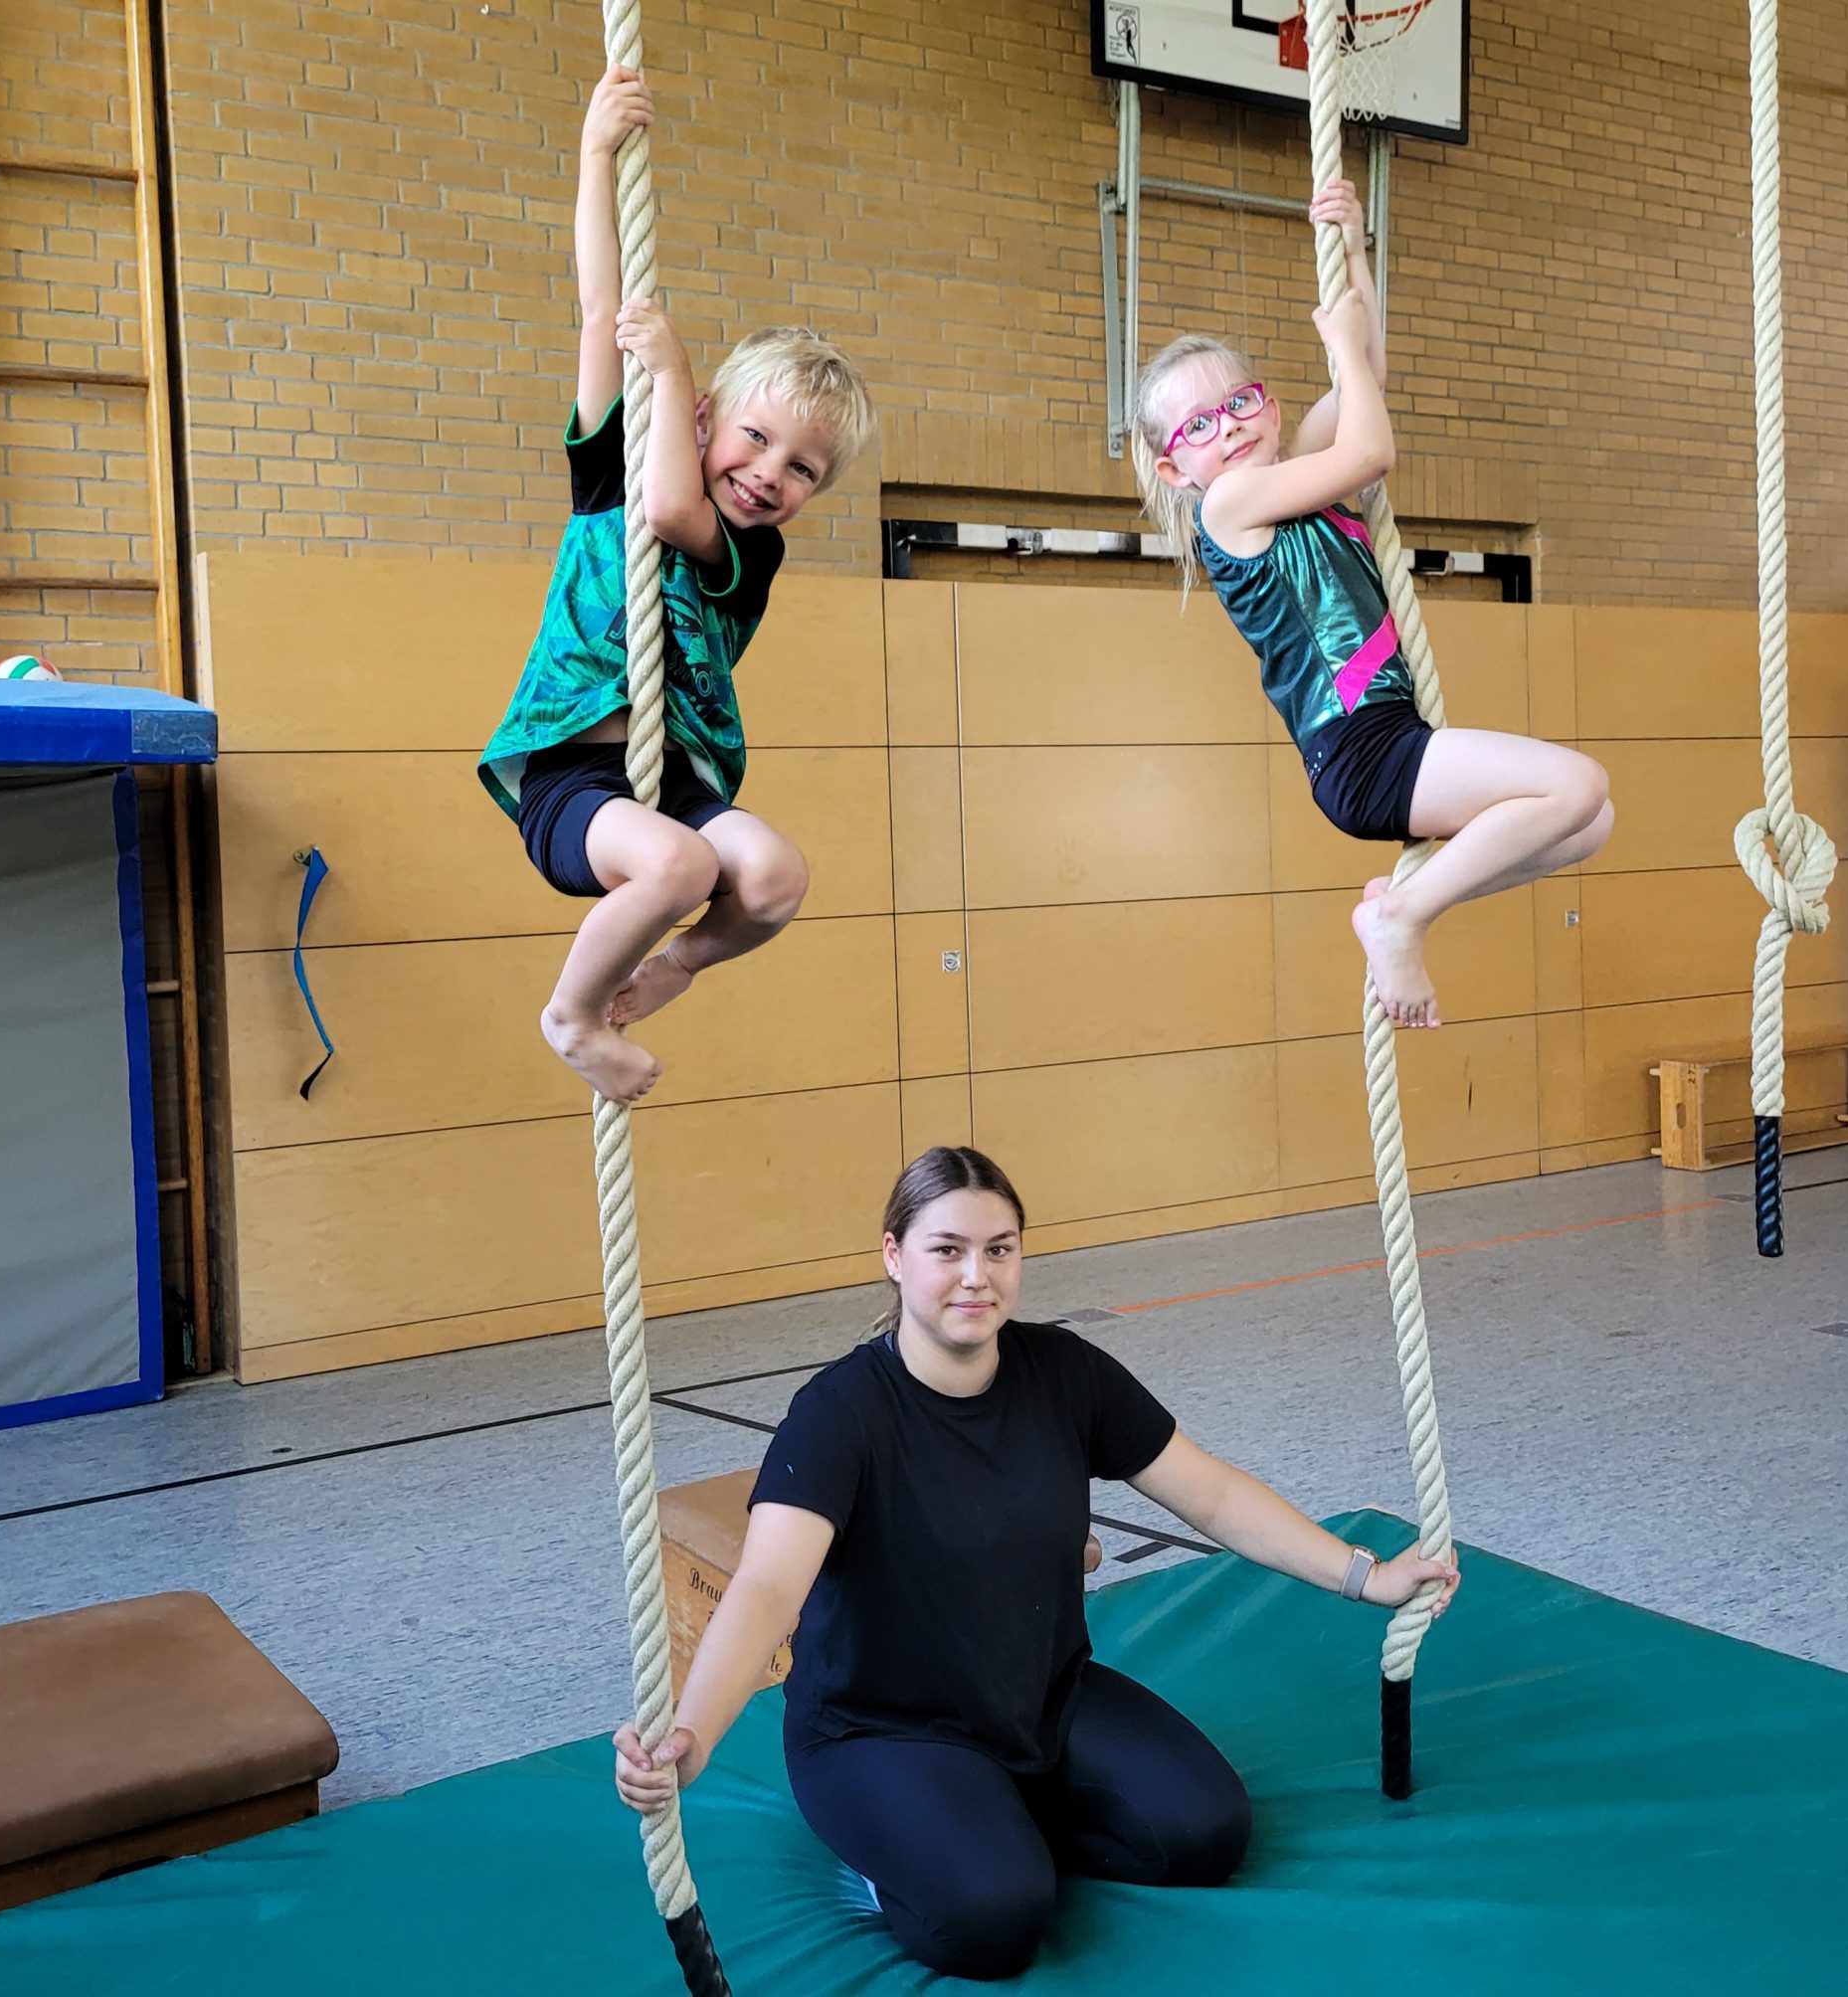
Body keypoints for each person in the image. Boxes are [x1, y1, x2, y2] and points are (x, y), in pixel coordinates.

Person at [614, 1146, 1461, 1982]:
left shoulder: (1064, 1372)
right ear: (893, 1256)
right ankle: (905, 1859)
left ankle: (993, 1828)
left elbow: (1211, 1494)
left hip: (1041, 1699)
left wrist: (1366, 1575)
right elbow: (767, 1589)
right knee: (995, 1920)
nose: (976, 1275)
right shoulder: (839, 1415)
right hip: (882, 1731)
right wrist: (695, 1734)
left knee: (1204, 1835)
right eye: (946, 1250)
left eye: (999, 1249)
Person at [478, 65, 875, 1103]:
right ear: (703, 420)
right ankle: (569, 1013)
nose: (769, 475)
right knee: (682, 870)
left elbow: (674, 514)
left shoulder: (747, 552)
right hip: (572, 780)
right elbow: (600, 304)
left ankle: (671, 968)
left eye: (802, 470)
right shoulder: (608, 476)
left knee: (776, 877)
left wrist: (670, 371)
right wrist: (595, 153)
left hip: (673, 785)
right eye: (755, 437)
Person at [1131, 178, 1612, 1029]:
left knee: (1587, 825)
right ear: (1175, 469)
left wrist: (1354, 250)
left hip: (1389, 736)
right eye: (1198, 427)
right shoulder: (1228, 509)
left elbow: (1368, 386)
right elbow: (1373, 446)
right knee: (1578, 785)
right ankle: (1401, 915)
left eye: (1240, 403)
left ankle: (1404, 900)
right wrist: (1340, 344)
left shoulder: (1289, 482)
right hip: (1358, 748)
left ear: (1270, 409)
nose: (1229, 427)